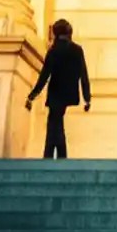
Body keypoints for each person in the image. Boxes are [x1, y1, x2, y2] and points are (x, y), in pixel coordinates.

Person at [25, 19, 91, 159]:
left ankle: (51, 155)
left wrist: (32, 95)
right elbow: (83, 75)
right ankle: (59, 155)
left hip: (55, 94)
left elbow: (44, 76)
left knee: (54, 123)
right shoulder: (77, 50)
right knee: (56, 122)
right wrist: (87, 98)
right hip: (69, 94)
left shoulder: (54, 51)